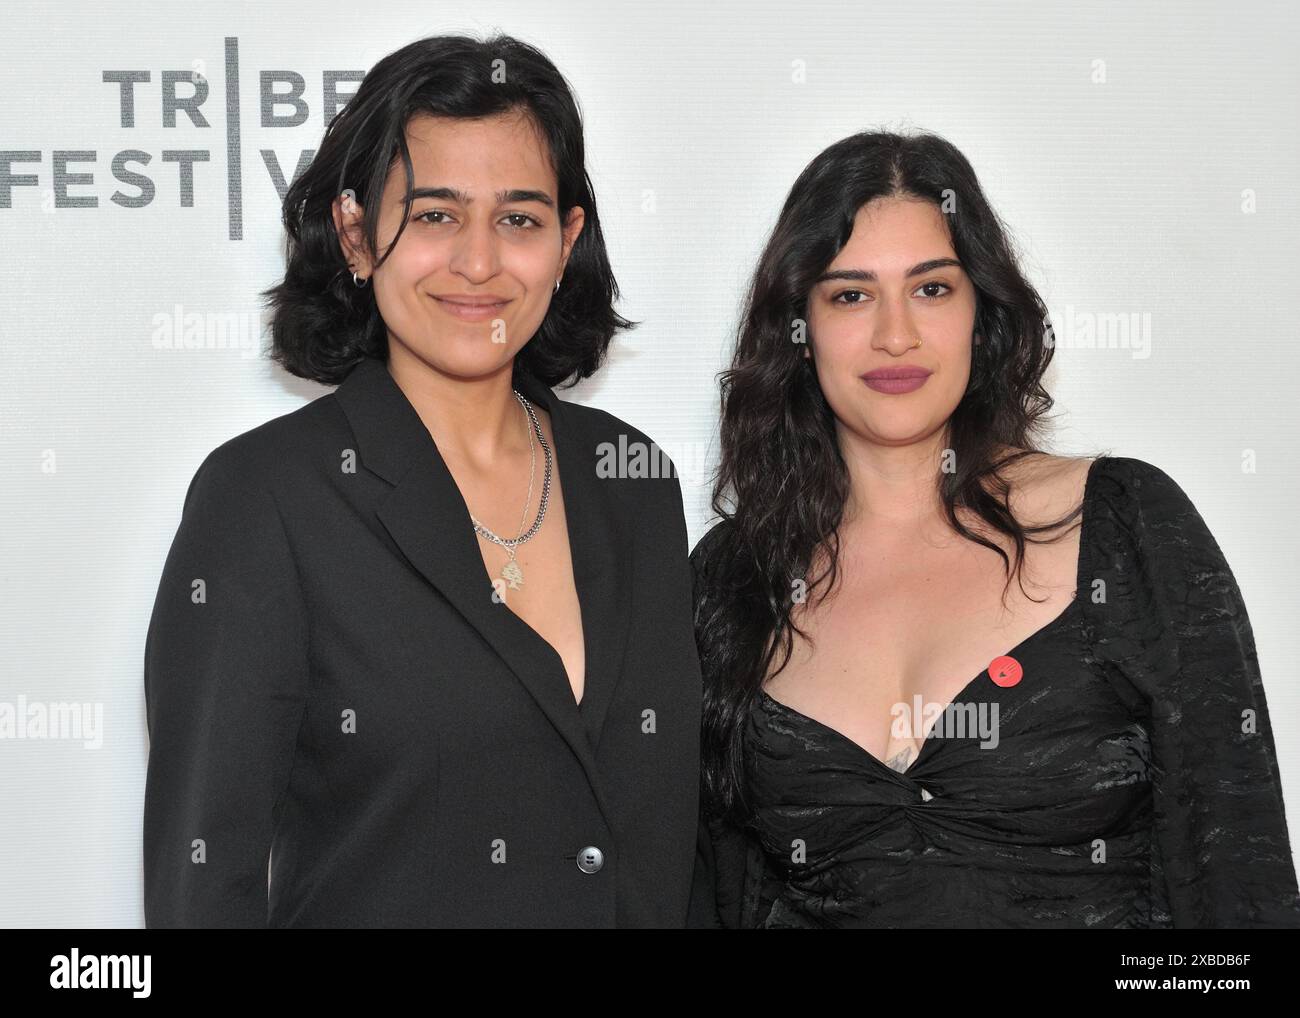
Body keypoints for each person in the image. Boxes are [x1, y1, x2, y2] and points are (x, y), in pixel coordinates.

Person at [143, 33, 701, 928]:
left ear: (567, 243)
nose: (478, 264)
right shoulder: (265, 500)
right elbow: (205, 889)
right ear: (358, 237)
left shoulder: (633, 479)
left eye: (518, 219)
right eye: (436, 216)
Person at [687, 130, 1300, 928]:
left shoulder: (1124, 524)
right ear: (797, 332)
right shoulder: (735, 580)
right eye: (850, 294)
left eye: (932, 289)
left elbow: (1235, 878)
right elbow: (717, 895)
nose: (895, 334)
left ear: (983, 313)